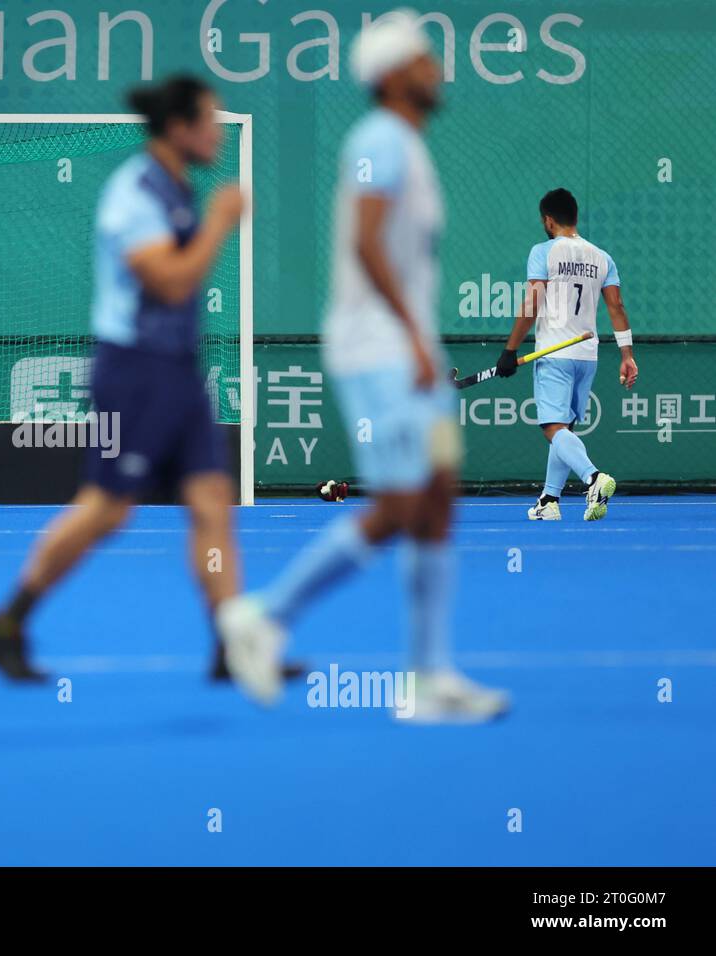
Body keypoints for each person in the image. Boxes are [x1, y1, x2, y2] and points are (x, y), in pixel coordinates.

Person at [218, 11, 509, 721]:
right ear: (390, 77)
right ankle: (261, 617)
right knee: (403, 504)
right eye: (423, 60)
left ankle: (429, 678)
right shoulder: (379, 139)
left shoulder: (406, 143)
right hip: (379, 349)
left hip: (410, 348)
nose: (436, 69)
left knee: (438, 497)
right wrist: (414, 337)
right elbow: (367, 243)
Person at [0, 74, 277, 683]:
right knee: (109, 510)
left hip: (178, 372)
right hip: (135, 371)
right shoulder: (134, 193)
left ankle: (230, 646)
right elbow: (169, 281)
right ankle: (7, 622)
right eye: (210, 119)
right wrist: (221, 222)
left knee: (212, 502)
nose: (218, 131)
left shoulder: (177, 188)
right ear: (179, 128)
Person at [496, 188, 637, 521]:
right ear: (574, 217)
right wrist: (627, 355)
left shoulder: (543, 252)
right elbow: (616, 306)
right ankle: (549, 501)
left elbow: (532, 303)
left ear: (548, 219)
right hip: (587, 355)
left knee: (552, 428)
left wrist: (509, 350)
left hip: (553, 354)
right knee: (564, 430)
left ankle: (593, 478)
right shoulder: (602, 257)